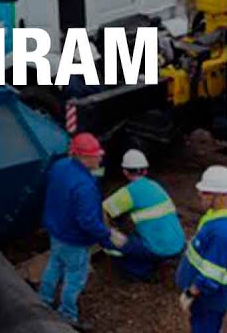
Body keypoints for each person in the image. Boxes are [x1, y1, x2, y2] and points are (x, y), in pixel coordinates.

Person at [39, 132, 126, 329]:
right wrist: (109, 234)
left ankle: (43, 300)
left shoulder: (60, 166)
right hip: (74, 239)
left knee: (54, 264)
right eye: (96, 155)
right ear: (83, 157)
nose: (100, 158)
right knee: (75, 277)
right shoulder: (85, 187)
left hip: (56, 230)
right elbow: (88, 222)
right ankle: (67, 314)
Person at [177, 165, 227, 333]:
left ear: (221, 196)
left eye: (205, 192)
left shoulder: (222, 232)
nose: (199, 194)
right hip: (212, 297)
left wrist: (191, 293)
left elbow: (211, 276)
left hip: (209, 299)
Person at [102, 148, 186, 281]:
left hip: (158, 249)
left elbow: (102, 211)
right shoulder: (156, 186)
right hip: (179, 245)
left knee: (110, 241)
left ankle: (139, 272)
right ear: (145, 170)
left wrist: (109, 230)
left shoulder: (129, 192)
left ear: (125, 172)